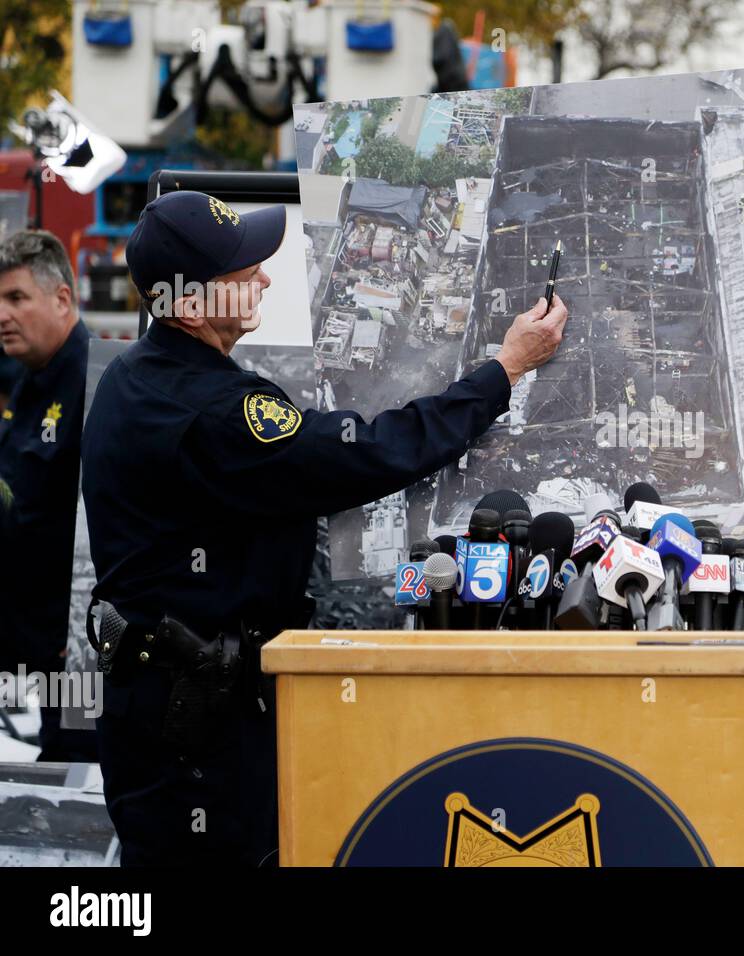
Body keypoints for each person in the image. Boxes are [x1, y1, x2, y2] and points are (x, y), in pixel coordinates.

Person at [82, 190, 567, 865]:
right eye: (242, 273)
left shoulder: (136, 377)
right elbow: (365, 455)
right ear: (190, 305)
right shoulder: (217, 411)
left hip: (166, 704)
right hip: (200, 728)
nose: (264, 278)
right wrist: (503, 371)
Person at [0, 229, 96, 761]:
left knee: (74, 786)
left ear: (62, 298)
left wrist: (86, 632)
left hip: (71, 655)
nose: (2, 314)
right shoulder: (30, 379)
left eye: (16, 298)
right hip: (22, 649)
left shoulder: (96, 383)